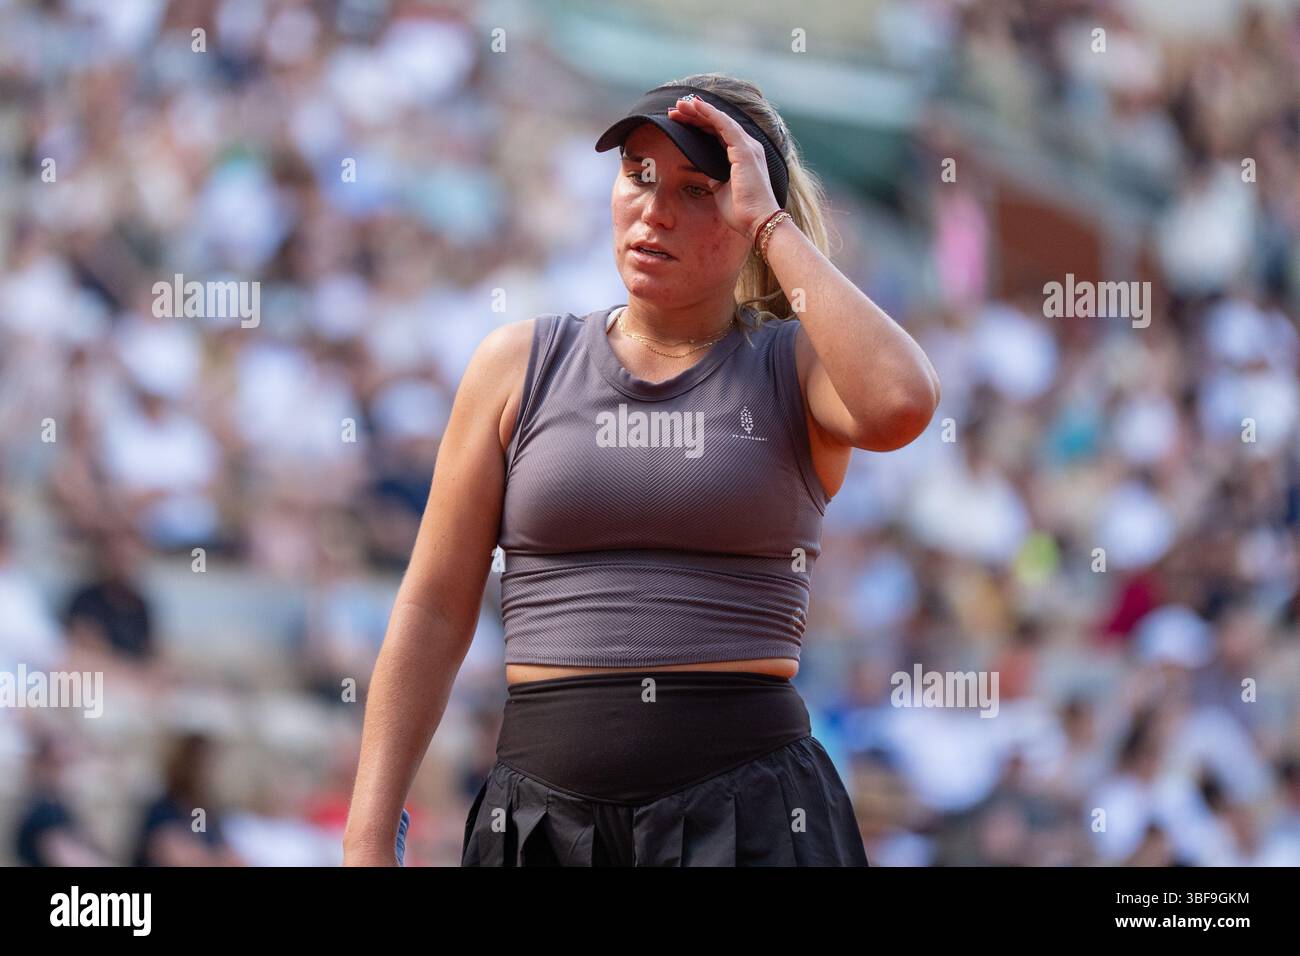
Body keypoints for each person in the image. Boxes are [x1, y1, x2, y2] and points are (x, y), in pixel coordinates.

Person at [344, 73, 940, 866]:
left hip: (750, 816)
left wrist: (769, 223)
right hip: (539, 824)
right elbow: (433, 608)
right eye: (638, 175)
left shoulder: (792, 366)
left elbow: (902, 402)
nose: (655, 211)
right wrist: (369, 832)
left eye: (698, 190)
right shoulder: (518, 363)